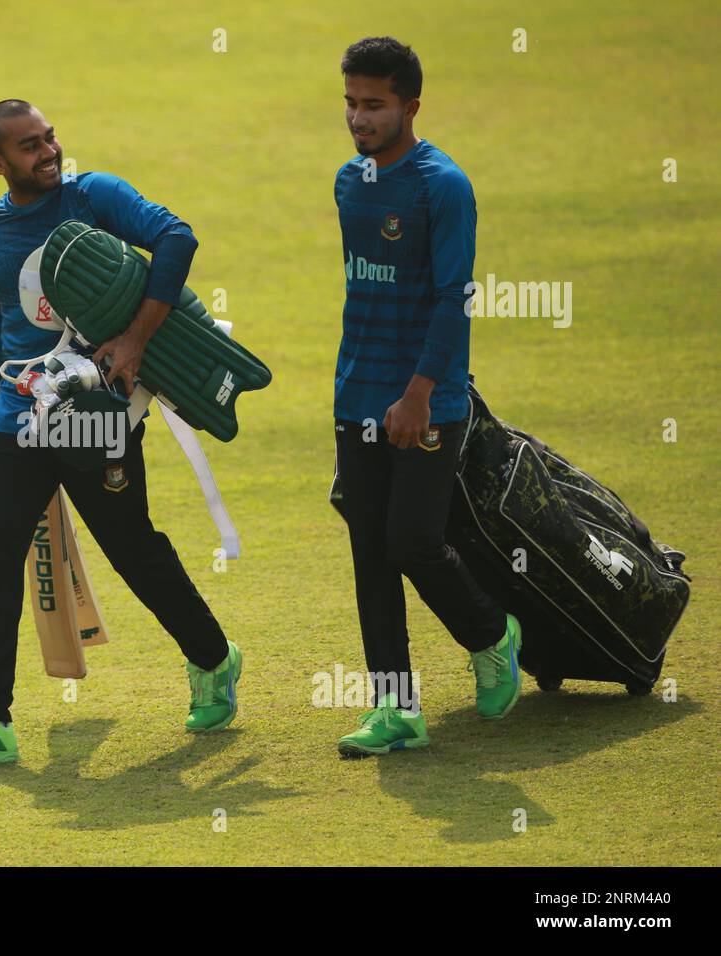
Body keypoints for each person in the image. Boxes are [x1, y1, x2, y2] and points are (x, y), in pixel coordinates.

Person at [0, 100, 242, 766]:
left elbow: (178, 238)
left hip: (100, 409)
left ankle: (214, 658)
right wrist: (4, 403)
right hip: (20, 416)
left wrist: (134, 340)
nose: (48, 152)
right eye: (30, 146)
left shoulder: (95, 195)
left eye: (50, 138)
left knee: (132, 549)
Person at [330, 38, 521, 757]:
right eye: (350, 103)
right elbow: (364, 292)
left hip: (426, 403)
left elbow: (452, 298)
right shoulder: (350, 182)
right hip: (358, 395)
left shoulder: (443, 185)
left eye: (373, 104)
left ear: (410, 105)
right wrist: (355, 394)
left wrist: (419, 393)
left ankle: (491, 635)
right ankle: (396, 708)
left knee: (411, 540)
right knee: (370, 553)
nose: (358, 117)